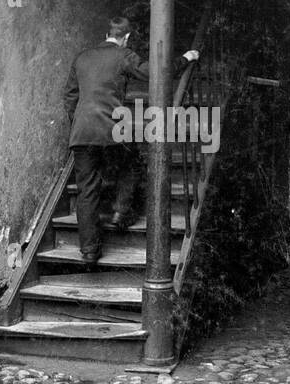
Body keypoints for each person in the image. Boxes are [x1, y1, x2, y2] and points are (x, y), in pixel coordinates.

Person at [63, 16, 199, 266]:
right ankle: (121, 211)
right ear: (125, 38)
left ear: (106, 34)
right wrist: (186, 58)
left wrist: (81, 121)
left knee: (87, 190)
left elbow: (70, 96)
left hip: (81, 134)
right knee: (132, 164)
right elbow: (157, 72)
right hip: (111, 130)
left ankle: (89, 251)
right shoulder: (123, 55)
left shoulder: (82, 57)